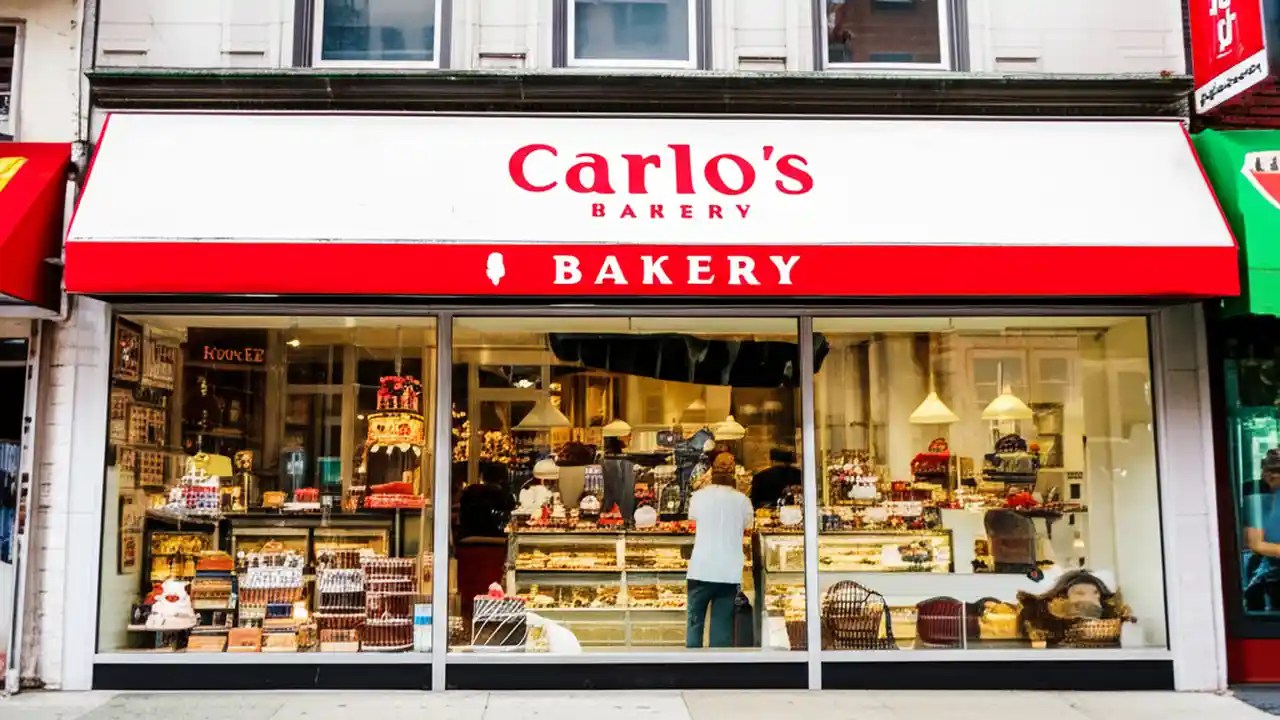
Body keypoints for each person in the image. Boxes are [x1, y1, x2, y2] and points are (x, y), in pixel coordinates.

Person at [686, 452, 753, 648]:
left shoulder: (698, 497)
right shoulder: (742, 501)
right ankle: (717, 673)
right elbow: (748, 523)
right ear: (734, 472)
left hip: (701, 569)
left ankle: (690, 669)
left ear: (711, 471)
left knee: (694, 624)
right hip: (728, 572)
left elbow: (692, 518)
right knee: (721, 630)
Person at [1244, 449, 1280, 610]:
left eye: (1277, 470)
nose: (1272, 475)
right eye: (1269, 470)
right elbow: (1256, 543)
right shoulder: (1256, 493)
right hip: (1269, 569)